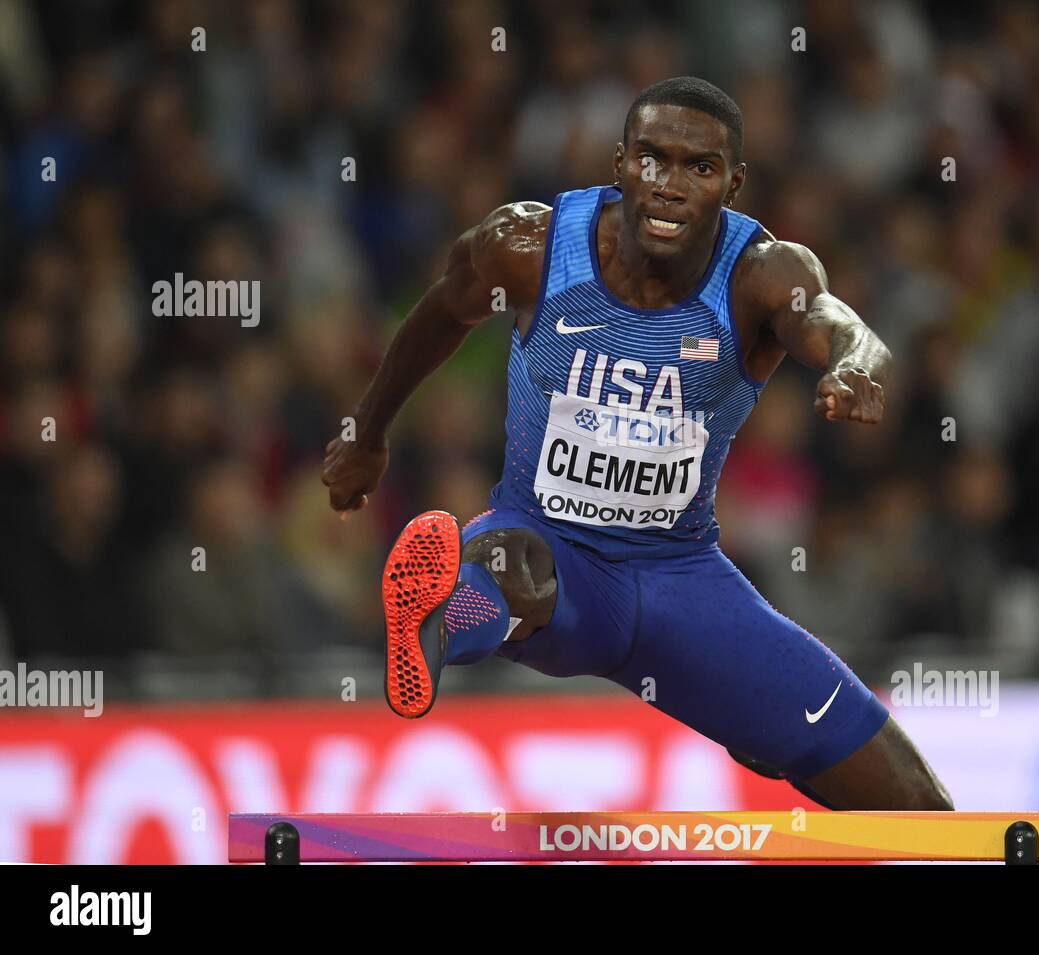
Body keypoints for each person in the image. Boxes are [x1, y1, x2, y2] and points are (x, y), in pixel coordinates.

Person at [322, 77, 951, 811]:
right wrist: (367, 431)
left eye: (700, 168)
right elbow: (440, 313)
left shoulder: (760, 277)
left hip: (684, 583)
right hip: (556, 557)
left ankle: (770, 729)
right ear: (619, 162)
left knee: (917, 809)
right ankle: (437, 623)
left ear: (734, 184)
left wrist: (854, 366)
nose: (670, 186)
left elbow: (845, 327)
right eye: (653, 160)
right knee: (508, 563)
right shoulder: (527, 248)